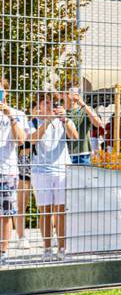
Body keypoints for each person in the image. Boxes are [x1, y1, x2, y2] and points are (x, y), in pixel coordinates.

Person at [29, 92, 76, 260]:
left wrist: (65, 119)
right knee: (45, 212)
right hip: (41, 171)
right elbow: (31, 140)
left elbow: (75, 137)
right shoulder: (34, 121)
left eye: (52, 103)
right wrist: (47, 122)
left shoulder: (63, 120)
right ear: (39, 106)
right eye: (46, 103)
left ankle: (62, 249)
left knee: (61, 211)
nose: (50, 106)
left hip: (61, 170)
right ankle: (47, 249)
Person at [0, 78, 26, 262]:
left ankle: (3, 251)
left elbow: (21, 140)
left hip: (7, 170)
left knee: (6, 214)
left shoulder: (17, 114)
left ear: (6, 92)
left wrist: (11, 117)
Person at [64, 88, 105, 165]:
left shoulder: (85, 110)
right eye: (70, 92)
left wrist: (83, 104)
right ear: (64, 95)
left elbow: (98, 124)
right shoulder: (61, 111)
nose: (73, 95)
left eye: (76, 93)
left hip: (83, 155)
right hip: (64, 154)